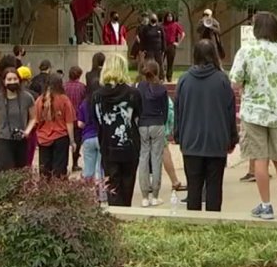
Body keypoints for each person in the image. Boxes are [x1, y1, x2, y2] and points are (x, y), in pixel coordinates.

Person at [231, 11, 277, 220]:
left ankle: (266, 205)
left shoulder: (247, 51)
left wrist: (246, 86)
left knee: (260, 159)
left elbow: (234, 81)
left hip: (254, 113)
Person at [175, 39, 238, 211]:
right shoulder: (222, 81)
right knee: (214, 188)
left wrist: (179, 135)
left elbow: (178, 111)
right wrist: (232, 138)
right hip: (216, 142)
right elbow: (229, 113)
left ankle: (194, 225)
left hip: (191, 141)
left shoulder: (184, 80)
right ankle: (213, 222)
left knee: (193, 188)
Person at [93, 54, 143, 207]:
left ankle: (116, 216)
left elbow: (97, 120)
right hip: (130, 145)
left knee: (113, 188)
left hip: (108, 146)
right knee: (128, 185)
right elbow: (138, 117)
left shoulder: (97, 96)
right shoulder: (133, 94)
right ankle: (126, 212)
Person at [0, 67, 36, 171]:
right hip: (4, 140)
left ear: (19, 80)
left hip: (21, 140)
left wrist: (27, 131)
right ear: (4, 82)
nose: (12, 82)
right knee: (7, 172)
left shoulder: (27, 97)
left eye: (15, 79)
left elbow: (33, 118)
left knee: (21, 172)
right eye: (9, 79)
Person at [136, 60, 169, 207]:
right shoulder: (161, 88)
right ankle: (155, 195)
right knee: (156, 159)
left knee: (143, 158)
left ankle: (144, 196)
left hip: (143, 123)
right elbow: (165, 109)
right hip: (157, 122)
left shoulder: (139, 87)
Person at [33, 73, 75, 178]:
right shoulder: (64, 99)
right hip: (61, 137)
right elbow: (69, 122)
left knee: (44, 171)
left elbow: (35, 120)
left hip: (43, 139)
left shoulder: (39, 100)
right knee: (59, 171)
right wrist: (72, 141)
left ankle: (45, 192)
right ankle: (58, 192)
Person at [75, 80, 105, 202]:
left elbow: (80, 124)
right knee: (100, 167)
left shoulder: (84, 103)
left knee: (88, 168)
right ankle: (102, 194)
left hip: (87, 138)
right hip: (101, 137)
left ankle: (88, 194)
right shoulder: (102, 102)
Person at [64, 66, 86, 171]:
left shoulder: (64, 87)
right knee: (77, 141)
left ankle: (64, 163)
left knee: (65, 140)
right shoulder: (82, 87)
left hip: (65, 118)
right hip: (77, 118)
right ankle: (75, 163)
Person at [162, 11, 185, 82]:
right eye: (168, 16)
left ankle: (169, 77)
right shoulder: (162, 25)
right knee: (160, 62)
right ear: (166, 17)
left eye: (171, 16)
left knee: (170, 62)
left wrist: (178, 43)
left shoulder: (176, 25)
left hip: (171, 45)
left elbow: (183, 34)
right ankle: (161, 77)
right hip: (163, 45)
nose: (169, 18)